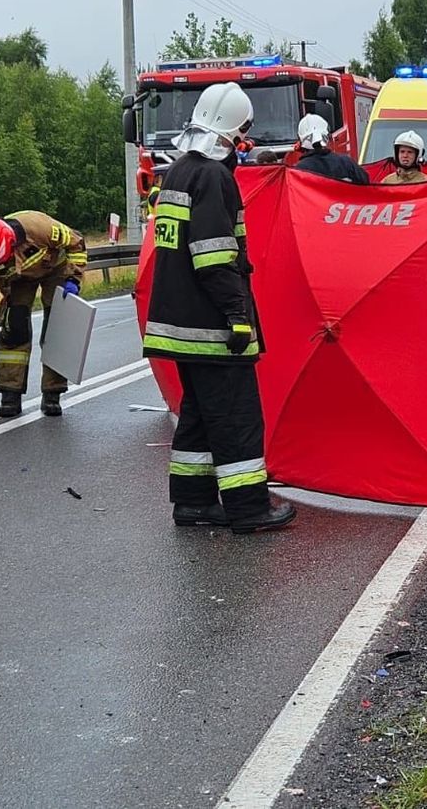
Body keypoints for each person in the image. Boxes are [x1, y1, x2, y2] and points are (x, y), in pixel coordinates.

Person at [143, 81, 294, 535]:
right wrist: (238, 317)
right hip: (212, 327)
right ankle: (248, 507)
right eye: (243, 131)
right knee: (236, 417)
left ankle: (192, 503)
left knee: (199, 416)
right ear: (232, 130)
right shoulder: (214, 177)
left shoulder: (178, 172)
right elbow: (213, 257)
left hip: (180, 325)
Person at [0, 212, 88, 418]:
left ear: (11, 246)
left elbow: (77, 242)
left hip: (55, 268)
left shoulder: (41, 228)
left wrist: (73, 278)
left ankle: (52, 394)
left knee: (56, 330)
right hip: (18, 279)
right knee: (14, 328)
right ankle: (10, 394)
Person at [292, 114, 369, 184]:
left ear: (301, 140)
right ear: (327, 136)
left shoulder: (298, 171)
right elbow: (365, 184)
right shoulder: (346, 163)